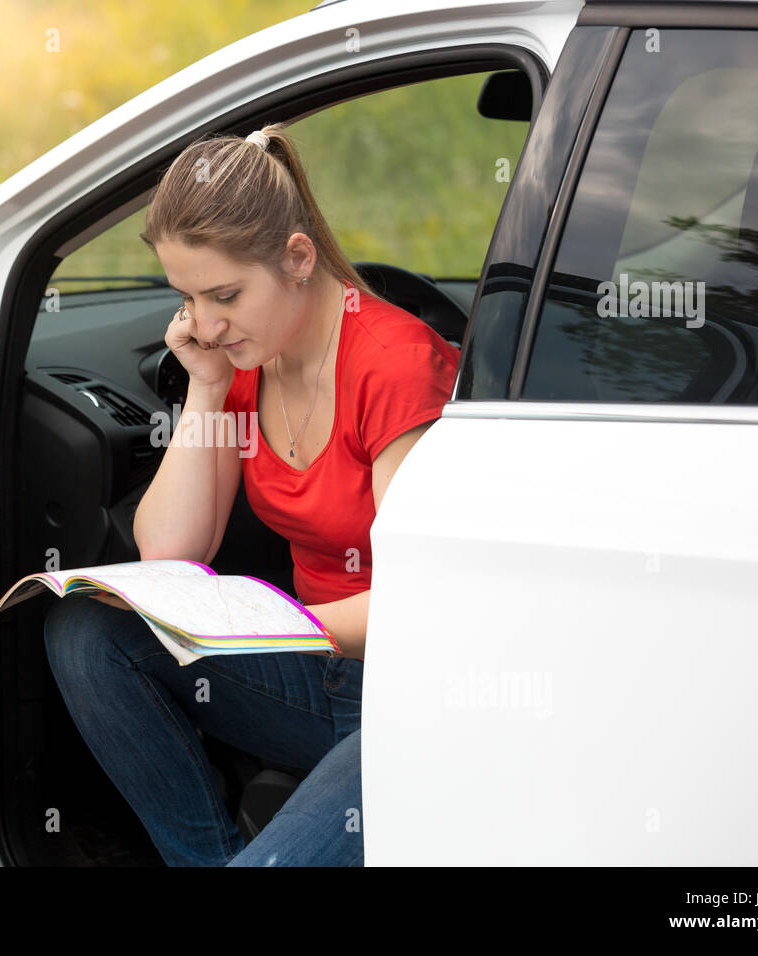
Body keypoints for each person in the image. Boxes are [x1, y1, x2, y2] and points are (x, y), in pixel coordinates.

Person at [43, 123, 459, 865]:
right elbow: (168, 551)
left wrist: (264, 624)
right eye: (187, 298)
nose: (204, 323)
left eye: (225, 295)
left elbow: (418, 603)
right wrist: (205, 385)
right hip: (322, 675)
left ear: (298, 259)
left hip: (414, 695)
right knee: (87, 633)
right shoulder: (241, 359)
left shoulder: (393, 366)